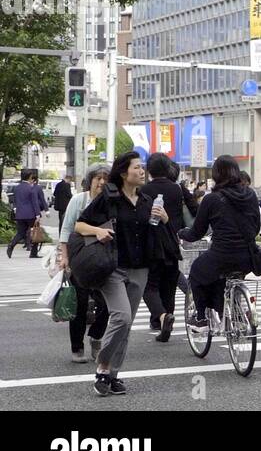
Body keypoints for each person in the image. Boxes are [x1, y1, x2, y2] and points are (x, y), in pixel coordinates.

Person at [75, 152, 169, 396]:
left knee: (125, 327)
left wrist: (165, 218)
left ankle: (112, 375)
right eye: (137, 167)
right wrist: (97, 231)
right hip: (113, 267)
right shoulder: (109, 197)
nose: (142, 171)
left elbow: (159, 230)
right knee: (122, 317)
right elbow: (80, 224)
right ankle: (103, 367)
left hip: (141, 268)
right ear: (124, 173)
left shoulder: (148, 200)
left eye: (142, 167)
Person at [178, 156, 261, 332]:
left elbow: (197, 232)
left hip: (222, 254)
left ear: (216, 175)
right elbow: (256, 226)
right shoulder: (250, 194)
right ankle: (237, 313)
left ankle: (200, 319)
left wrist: (182, 233)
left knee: (197, 271)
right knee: (229, 276)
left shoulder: (212, 199)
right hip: (248, 255)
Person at [59, 163, 111, 364]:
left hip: (103, 261)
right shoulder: (78, 200)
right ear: (90, 181)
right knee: (79, 305)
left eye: (106, 178)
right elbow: (65, 231)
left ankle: (96, 338)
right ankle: (77, 347)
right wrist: (64, 258)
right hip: (79, 259)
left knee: (106, 304)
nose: (102, 182)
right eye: (98, 178)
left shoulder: (111, 203)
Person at [140, 153, 194, 342]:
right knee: (169, 285)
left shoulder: (144, 189)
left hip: (151, 243)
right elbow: (190, 209)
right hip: (172, 241)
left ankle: (161, 317)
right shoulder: (176, 189)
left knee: (150, 286)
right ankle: (165, 325)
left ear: (149, 170)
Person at [7, 169, 47, 258]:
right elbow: (35, 202)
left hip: (20, 214)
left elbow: (14, 200)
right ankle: (33, 253)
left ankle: (11, 246)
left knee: (20, 233)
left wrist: (15, 209)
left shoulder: (17, 188)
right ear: (29, 177)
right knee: (35, 232)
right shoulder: (31, 188)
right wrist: (38, 215)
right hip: (31, 214)